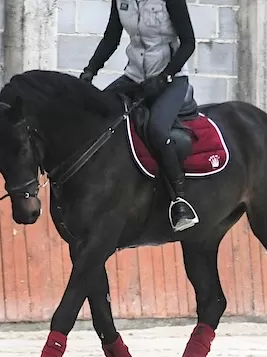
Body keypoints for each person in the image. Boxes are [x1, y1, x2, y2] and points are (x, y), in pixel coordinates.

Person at [79, 0, 200, 232]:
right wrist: (90, 69)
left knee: (156, 129)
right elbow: (111, 38)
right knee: (97, 115)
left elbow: (188, 43)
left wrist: (165, 76)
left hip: (171, 80)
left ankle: (179, 201)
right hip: (134, 77)